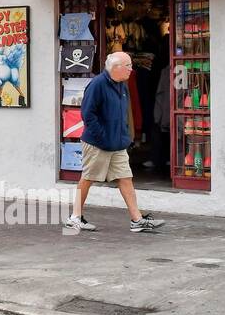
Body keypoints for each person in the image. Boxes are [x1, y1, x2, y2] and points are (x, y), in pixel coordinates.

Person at [67, 51, 165, 233]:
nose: (131, 69)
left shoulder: (122, 85)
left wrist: (125, 136)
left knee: (125, 178)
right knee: (88, 178)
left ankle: (136, 220)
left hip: (118, 143)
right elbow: (88, 115)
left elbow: (123, 114)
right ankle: (75, 217)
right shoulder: (97, 84)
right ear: (115, 67)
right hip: (98, 143)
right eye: (128, 66)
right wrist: (102, 137)